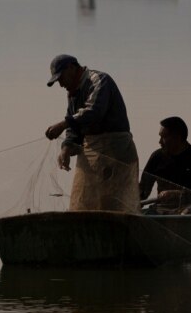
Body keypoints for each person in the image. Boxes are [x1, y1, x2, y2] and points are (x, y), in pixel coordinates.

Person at [44, 54, 140, 213]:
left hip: (116, 149)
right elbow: (74, 124)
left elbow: (94, 111)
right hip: (91, 148)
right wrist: (66, 147)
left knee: (114, 203)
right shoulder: (73, 93)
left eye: (61, 78)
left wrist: (63, 124)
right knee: (84, 201)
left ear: (71, 68)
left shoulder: (99, 80)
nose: (60, 84)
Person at [139, 116, 191, 214]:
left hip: (188, 210)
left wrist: (174, 194)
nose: (160, 142)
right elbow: (143, 190)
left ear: (177, 138)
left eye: (164, 137)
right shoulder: (157, 157)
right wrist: (132, 201)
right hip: (161, 209)